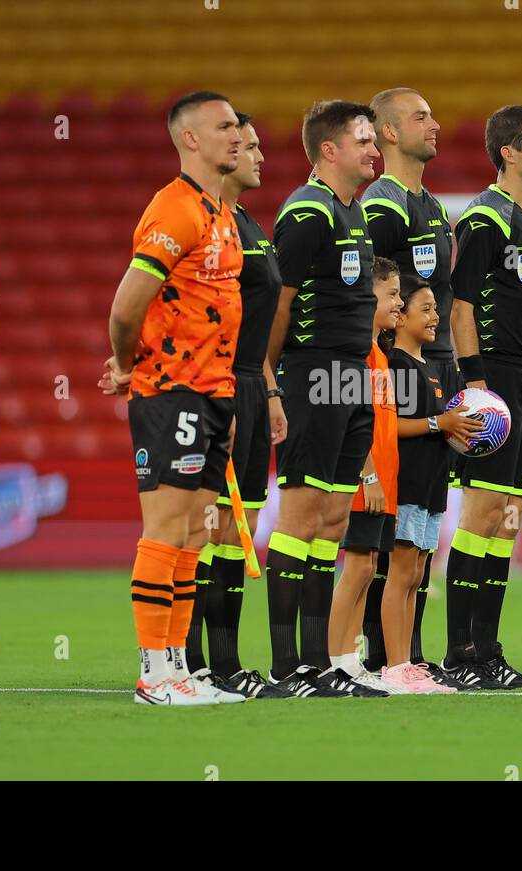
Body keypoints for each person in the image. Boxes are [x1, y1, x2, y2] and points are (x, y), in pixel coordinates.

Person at [99, 91, 247, 706]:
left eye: (238, 125)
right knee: (164, 531)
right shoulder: (175, 210)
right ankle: (151, 673)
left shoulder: (221, 212)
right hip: (173, 392)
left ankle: (178, 670)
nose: (237, 135)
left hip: (213, 393)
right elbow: (126, 304)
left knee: (193, 533)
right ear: (190, 139)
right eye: (224, 127)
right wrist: (131, 366)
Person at [263, 100, 380, 697]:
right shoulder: (308, 212)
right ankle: (289, 667)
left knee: (333, 523)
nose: (373, 147)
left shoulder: (350, 209)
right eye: (363, 139)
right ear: (329, 150)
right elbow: (276, 303)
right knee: (300, 520)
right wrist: (269, 380)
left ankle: (320, 664)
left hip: (350, 376)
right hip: (313, 374)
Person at [441, 106, 522, 690]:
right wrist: (475, 383)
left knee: (508, 522)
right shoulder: (485, 219)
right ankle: (460, 654)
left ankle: (488, 652)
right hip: (496, 382)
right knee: (481, 515)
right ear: (508, 152)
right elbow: (460, 306)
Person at [182, 112, 294, 700]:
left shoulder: (249, 224)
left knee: (239, 527)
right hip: (213, 385)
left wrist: (271, 390)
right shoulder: (201, 222)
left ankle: (224, 663)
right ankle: (191, 660)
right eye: (248, 145)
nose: (259, 156)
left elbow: (254, 324)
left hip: (251, 385)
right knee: (205, 526)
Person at [359, 88, 457, 679]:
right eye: (421, 116)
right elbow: (372, 290)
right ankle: (380, 653)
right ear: (390, 132)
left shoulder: (436, 208)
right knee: (393, 531)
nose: (435, 124)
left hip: (434, 364)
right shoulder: (382, 205)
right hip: (395, 366)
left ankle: (412, 654)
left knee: (421, 535)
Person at [381, 274, 482, 694]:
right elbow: (388, 426)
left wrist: (459, 431)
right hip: (407, 483)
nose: (436, 316)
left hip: (432, 485)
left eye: (436, 309)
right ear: (400, 316)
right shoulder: (397, 366)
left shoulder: (432, 368)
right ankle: (394, 664)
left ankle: (407, 663)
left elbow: (436, 427)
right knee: (401, 572)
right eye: (425, 309)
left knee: (418, 573)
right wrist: (440, 422)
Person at [321, 257, 403, 697]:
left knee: (368, 568)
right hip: (363, 481)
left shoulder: (380, 354)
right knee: (355, 568)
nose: (399, 303)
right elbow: (351, 421)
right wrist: (368, 474)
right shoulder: (358, 354)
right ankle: (336, 662)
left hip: (382, 482)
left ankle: (349, 662)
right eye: (390, 294)